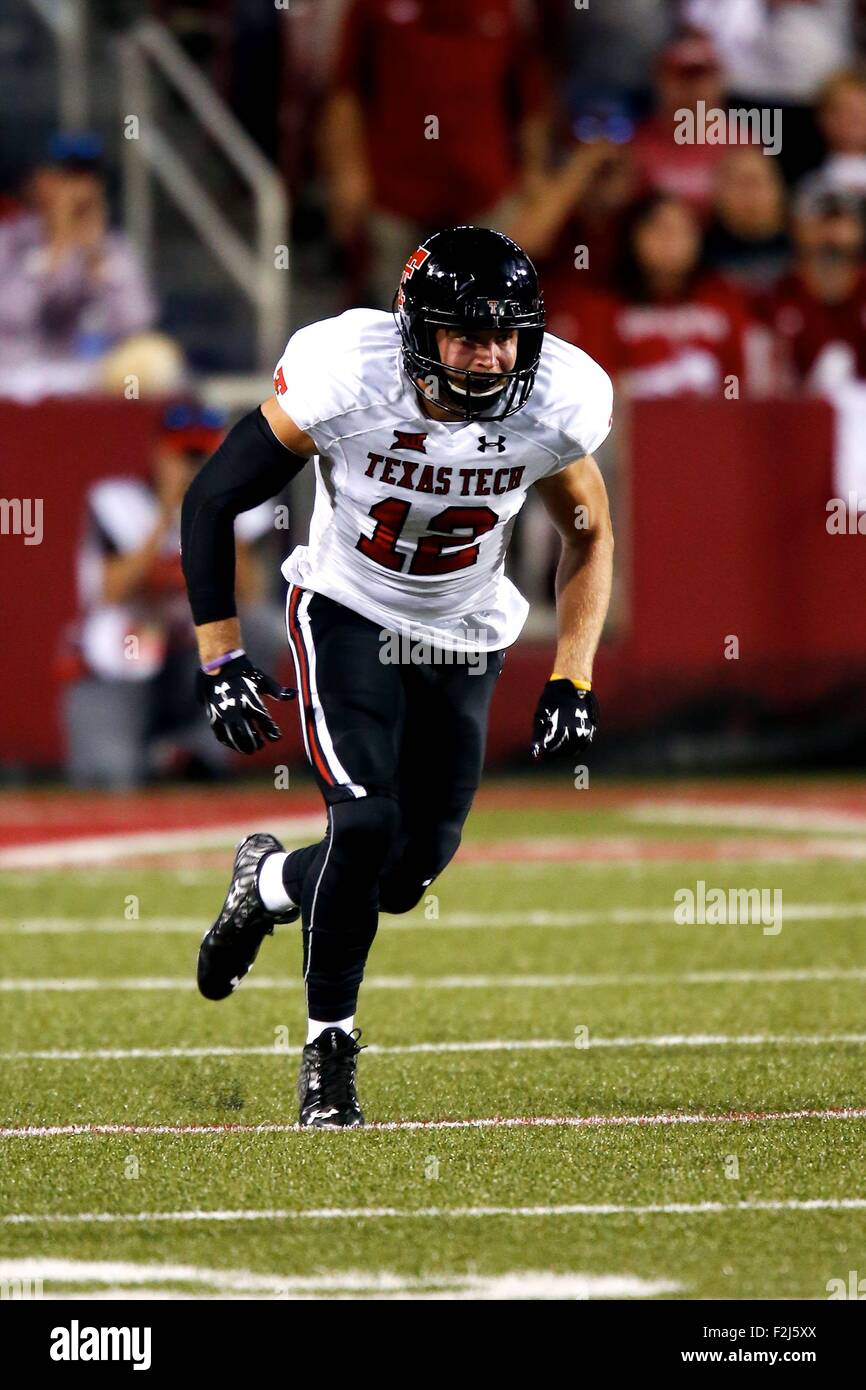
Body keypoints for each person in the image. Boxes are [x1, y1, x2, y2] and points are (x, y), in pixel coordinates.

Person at [181, 226, 614, 1127]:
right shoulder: (349, 373)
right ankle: (328, 1054)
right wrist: (219, 655)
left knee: (410, 869)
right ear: (417, 330)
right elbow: (213, 496)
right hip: (348, 608)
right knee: (366, 820)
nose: (491, 357)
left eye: (506, 336)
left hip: (462, 627)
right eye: (465, 334)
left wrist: (573, 674)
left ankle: (264, 887)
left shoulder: (560, 400)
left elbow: (589, 533)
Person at [64, 403, 275, 788]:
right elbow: (110, 592)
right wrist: (167, 510)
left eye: (202, 454)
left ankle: (200, 748)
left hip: (192, 665)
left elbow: (253, 594)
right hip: (120, 665)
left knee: (261, 627)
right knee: (114, 776)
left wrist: (214, 506)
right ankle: (152, 756)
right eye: (183, 454)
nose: (192, 464)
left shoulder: (248, 508)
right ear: (158, 452)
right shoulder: (117, 502)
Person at [320, 0, 549, 306]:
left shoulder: (508, 9)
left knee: (483, 320)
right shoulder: (373, 6)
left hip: (484, 197)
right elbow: (346, 92)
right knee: (395, 322)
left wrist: (534, 172)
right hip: (396, 198)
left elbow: (530, 100)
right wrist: (347, 173)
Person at [0, 133, 156, 399]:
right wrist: (52, 251)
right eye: (67, 178)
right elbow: (10, 316)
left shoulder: (111, 246)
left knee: (155, 360)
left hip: (86, 378)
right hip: (14, 377)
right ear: (40, 183)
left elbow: (137, 321)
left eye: (87, 178)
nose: (79, 190)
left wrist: (98, 259)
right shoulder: (11, 239)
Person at [765, 188, 866, 392]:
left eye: (840, 220)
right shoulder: (774, 296)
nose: (831, 233)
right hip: (795, 416)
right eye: (820, 221)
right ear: (796, 229)